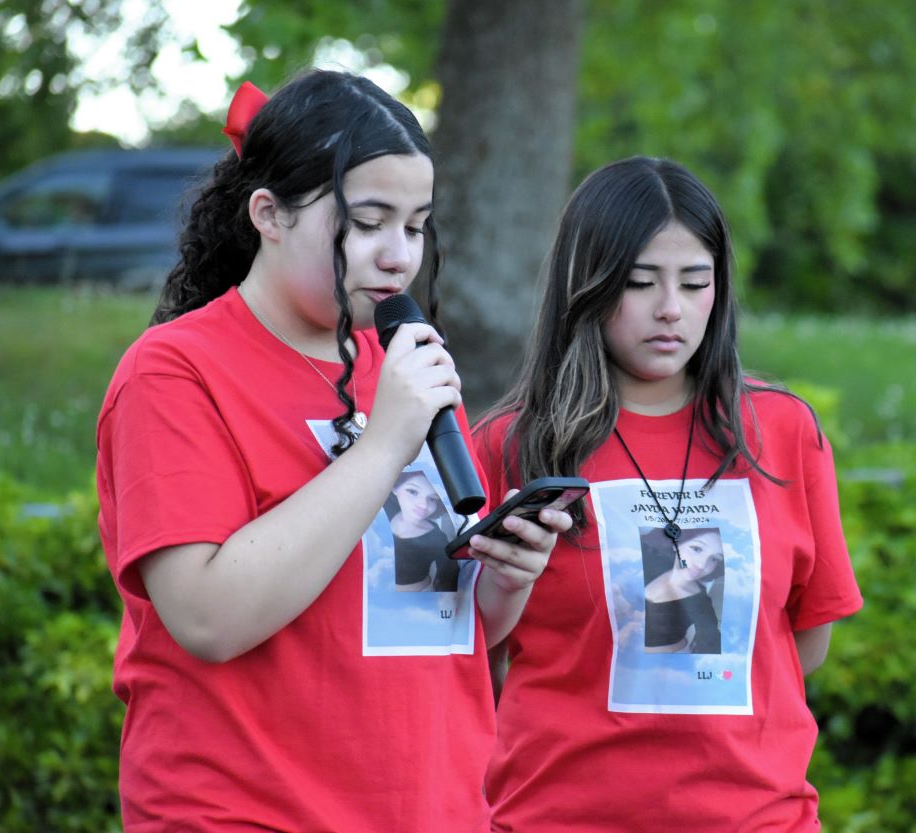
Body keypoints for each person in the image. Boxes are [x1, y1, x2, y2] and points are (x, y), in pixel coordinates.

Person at [95, 69, 570, 833]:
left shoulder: (401, 371)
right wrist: (381, 445)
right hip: (246, 811)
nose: (397, 257)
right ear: (269, 215)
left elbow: (428, 617)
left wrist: (505, 580)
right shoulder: (174, 371)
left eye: (415, 226)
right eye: (369, 221)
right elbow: (209, 617)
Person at [475, 156, 863, 832]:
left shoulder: (782, 430)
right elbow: (472, 652)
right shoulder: (511, 446)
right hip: (555, 814)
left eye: (694, 281)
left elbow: (805, 641)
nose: (671, 310)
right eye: (640, 282)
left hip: (757, 816)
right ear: (586, 285)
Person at [642, 525, 723, 654]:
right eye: (696, 549)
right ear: (676, 544)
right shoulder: (650, 563)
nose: (702, 565)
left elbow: (711, 641)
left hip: (671, 662)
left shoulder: (701, 602)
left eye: (714, 559)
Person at [388, 469, 460, 591]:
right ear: (395, 488)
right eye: (413, 491)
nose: (423, 505)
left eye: (432, 499)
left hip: (416, 598)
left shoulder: (437, 537)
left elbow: (449, 574)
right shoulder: (385, 510)